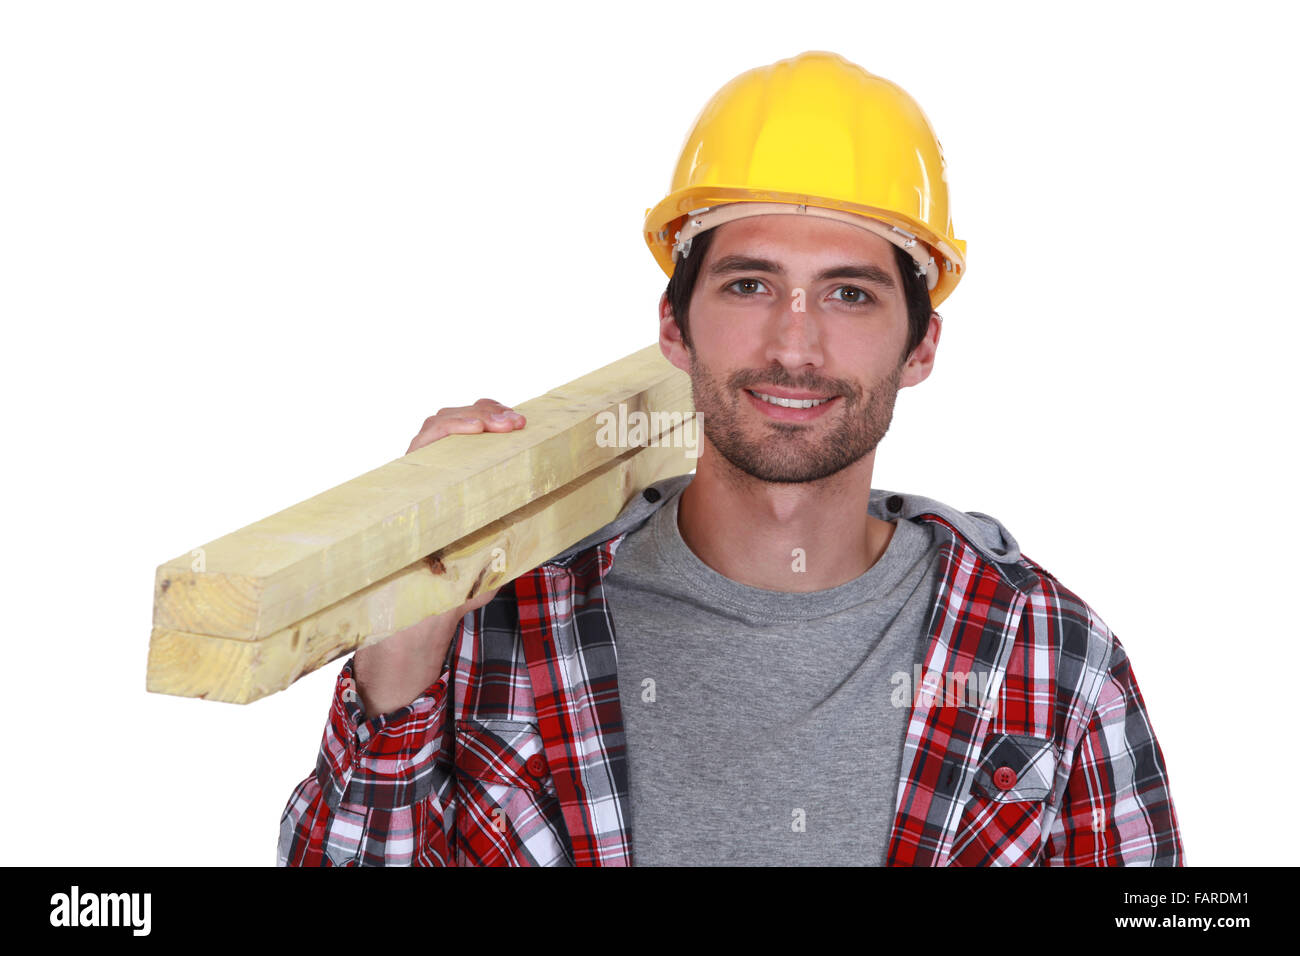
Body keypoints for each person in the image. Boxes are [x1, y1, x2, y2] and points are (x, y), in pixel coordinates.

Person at [278, 50, 1184, 866]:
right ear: (675, 325)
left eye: (851, 294)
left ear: (921, 348)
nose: (795, 345)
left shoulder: (1048, 656)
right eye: (750, 284)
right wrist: (396, 661)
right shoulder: (499, 624)